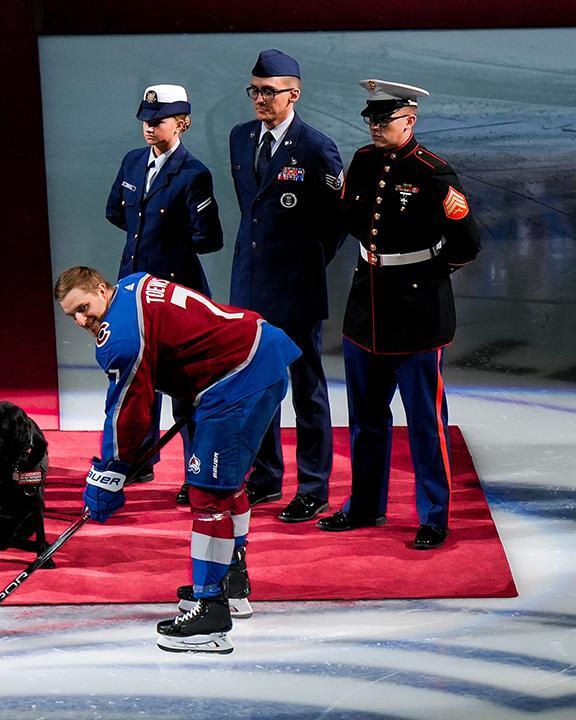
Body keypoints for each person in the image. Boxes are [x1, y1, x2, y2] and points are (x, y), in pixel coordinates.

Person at [56, 266, 299, 653]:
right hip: (255, 353)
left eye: (85, 307)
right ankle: (229, 583)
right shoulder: (133, 283)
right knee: (227, 487)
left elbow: (128, 408)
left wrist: (109, 469)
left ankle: (210, 613)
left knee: (208, 494)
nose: (83, 320)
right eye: (73, 316)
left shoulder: (117, 336)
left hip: (237, 377)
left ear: (101, 289)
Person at [317, 80, 481, 550]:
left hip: (417, 317)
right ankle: (366, 505)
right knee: (366, 419)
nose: (374, 127)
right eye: (370, 120)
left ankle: (435, 517)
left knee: (425, 423)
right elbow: (350, 217)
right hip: (366, 309)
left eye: (383, 120)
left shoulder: (434, 174)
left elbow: (466, 244)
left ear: (410, 120)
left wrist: (425, 273)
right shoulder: (365, 162)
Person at [227, 50, 346, 523]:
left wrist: (308, 262)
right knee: (257, 385)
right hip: (250, 284)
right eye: (254, 90)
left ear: (294, 94)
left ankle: (314, 487)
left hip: (296, 286)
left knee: (306, 388)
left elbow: (337, 219)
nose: (260, 99)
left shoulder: (316, 146)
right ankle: (265, 477)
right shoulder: (240, 138)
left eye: (269, 91)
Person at [105, 83, 224, 498]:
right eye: (145, 121)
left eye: (157, 121)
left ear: (182, 123)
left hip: (175, 294)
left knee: (184, 387)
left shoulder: (193, 173)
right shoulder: (133, 162)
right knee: (137, 380)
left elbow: (208, 238)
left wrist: (164, 245)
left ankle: (195, 473)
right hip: (133, 287)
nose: (148, 128)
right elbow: (115, 212)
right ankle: (138, 461)